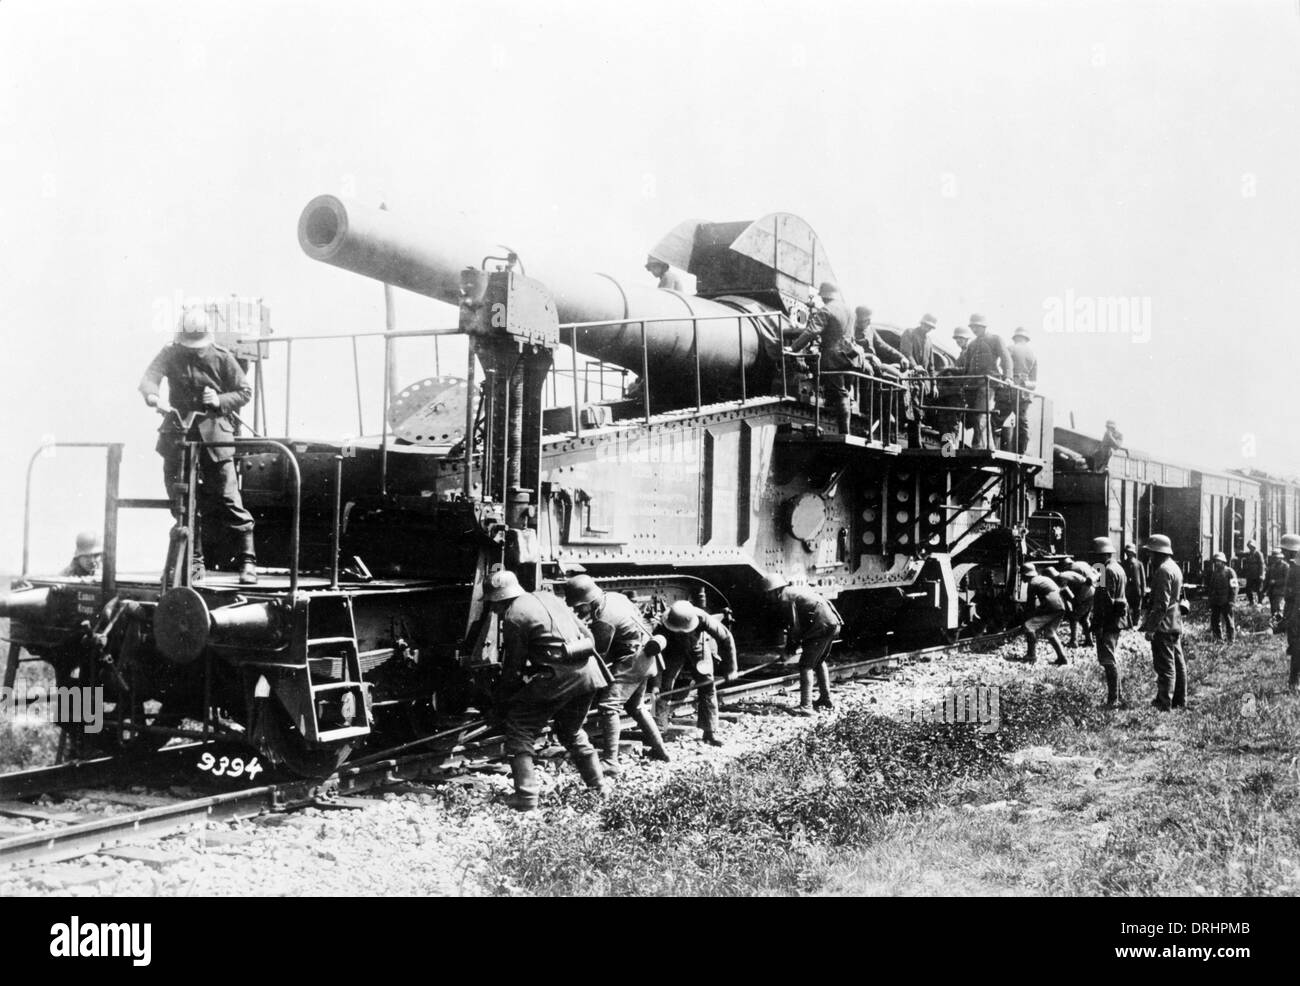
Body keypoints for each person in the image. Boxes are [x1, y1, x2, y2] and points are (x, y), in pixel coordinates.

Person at [138, 308, 257, 584]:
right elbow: (149, 379)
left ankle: (248, 561)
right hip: (178, 435)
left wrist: (218, 400)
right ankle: (194, 561)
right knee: (180, 500)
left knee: (228, 498)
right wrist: (153, 396)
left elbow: (244, 392)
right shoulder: (170, 353)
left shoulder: (222, 357)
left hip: (214, 437)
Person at [486, 570, 607, 811]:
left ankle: (527, 797)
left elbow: (514, 666)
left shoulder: (513, 616)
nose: (493, 610)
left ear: (499, 599)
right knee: (571, 730)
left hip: (559, 678)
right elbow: (588, 635)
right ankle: (599, 787)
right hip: (590, 673)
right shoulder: (549, 597)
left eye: (492, 605)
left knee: (520, 728)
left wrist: (504, 697)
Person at [565, 575, 671, 771]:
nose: (578, 611)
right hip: (646, 656)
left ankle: (611, 761)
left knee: (609, 706)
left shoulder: (604, 619)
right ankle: (660, 750)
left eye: (579, 607)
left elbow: (598, 654)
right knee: (637, 707)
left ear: (588, 601)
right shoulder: (614, 597)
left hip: (632, 662)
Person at [651, 600, 738, 746]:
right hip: (673, 651)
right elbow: (655, 655)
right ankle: (658, 732)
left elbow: (726, 637)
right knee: (662, 690)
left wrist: (731, 669)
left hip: (697, 645)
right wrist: (655, 684)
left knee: (707, 686)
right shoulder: (661, 625)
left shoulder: (702, 617)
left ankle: (709, 732)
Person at [760, 573, 843, 715]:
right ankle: (825, 698)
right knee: (819, 661)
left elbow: (795, 628)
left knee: (806, 665)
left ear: (774, 591)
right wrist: (791, 649)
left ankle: (806, 706)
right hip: (832, 622)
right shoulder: (792, 592)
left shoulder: (785, 599)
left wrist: (788, 651)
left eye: (768, 594)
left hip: (821, 625)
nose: (767, 598)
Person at [791, 282, 856, 435]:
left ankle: (844, 433)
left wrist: (793, 348)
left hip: (833, 358)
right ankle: (843, 428)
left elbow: (812, 332)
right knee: (844, 391)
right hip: (850, 356)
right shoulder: (849, 311)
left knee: (840, 394)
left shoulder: (827, 309)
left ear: (824, 296)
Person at [1141, 534, 1186, 710]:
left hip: (1164, 624)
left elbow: (1161, 605)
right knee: (1178, 662)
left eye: (1151, 553)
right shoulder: (1174, 567)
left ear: (1158, 552)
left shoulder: (1163, 571)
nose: (1150, 557)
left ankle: (1163, 702)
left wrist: (1151, 627)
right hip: (1174, 622)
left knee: (1165, 665)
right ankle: (1179, 700)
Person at [957, 314, 1011, 449]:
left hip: (988, 383)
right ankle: (988, 445)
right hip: (973, 384)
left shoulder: (995, 339)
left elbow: (1006, 358)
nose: (974, 330)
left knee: (982, 414)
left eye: (976, 327)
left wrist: (1008, 376)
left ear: (983, 326)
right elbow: (968, 365)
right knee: (975, 416)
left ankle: (979, 446)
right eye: (972, 327)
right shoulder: (972, 344)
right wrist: (963, 383)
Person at [1091, 537, 1129, 707]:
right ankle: (1117, 696)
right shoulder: (1119, 568)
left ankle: (1114, 699)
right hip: (1116, 619)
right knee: (1110, 658)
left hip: (1108, 622)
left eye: (1098, 555)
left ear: (1104, 554)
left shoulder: (1105, 572)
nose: (1096, 559)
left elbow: (1103, 601)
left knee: (1108, 660)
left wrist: (1097, 625)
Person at [1015, 563, 1068, 665]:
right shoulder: (1042, 579)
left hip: (1051, 606)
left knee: (1028, 627)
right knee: (1050, 632)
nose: (1022, 578)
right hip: (1061, 605)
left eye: (1022, 575)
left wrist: (1025, 618)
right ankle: (1062, 658)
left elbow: (1030, 605)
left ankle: (1031, 655)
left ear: (1026, 575)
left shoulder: (1033, 583)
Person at [1008, 327, 1037, 454]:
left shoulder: (1010, 349)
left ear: (1015, 338)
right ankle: (1021, 451)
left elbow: (1002, 367)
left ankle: (989, 445)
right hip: (1025, 392)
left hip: (1009, 389)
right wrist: (1025, 383)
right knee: (1022, 422)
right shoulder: (1033, 355)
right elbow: (1034, 382)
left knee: (996, 418)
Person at [1055, 562, 1096, 647]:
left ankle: (1074, 641)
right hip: (1091, 593)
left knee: (1074, 618)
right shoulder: (1068, 573)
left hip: (1086, 594)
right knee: (1084, 619)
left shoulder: (1061, 577)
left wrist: (1074, 603)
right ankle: (1089, 641)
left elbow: (1065, 591)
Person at [1205, 551, 1238, 643]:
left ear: (1223, 562)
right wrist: (1210, 600)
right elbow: (1211, 587)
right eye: (1215, 561)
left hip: (1226, 601)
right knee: (1214, 620)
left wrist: (1232, 600)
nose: (1217, 563)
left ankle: (1231, 639)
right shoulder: (1215, 572)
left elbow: (1234, 587)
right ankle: (1218, 638)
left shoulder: (1230, 572)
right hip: (1216, 601)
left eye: (1219, 561)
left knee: (1229, 620)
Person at [1283, 533, 1300, 692]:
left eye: (1285, 551)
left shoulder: (1297, 569)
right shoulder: (1292, 567)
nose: (1283, 553)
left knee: (1296, 648)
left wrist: (1293, 618)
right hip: (1292, 611)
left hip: (1297, 613)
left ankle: (1294, 682)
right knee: (1294, 646)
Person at [1122, 544, 1147, 628]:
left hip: (1137, 589)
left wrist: (1143, 590)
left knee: (1137, 607)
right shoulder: (1124, 563)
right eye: (1127, 553)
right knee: (1127, 606)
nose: (1129, 554)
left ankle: (1135, 622)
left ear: (1133, 553)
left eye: (1130, 553)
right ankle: (1128, 623)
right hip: (1127, 589)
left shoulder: (1139, 564)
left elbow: (1143, 578)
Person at [1265, 547, 1289, 622]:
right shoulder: (1272, 567)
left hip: (1281, 591)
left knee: (1278, 607)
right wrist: (1263, 590)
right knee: (1273, 608)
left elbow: (1287, 580)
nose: (1275, 559)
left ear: (1281, 558)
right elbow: (1267, 579)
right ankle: (1275, 623)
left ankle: (1279, 623)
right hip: (1272, 591)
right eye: (1274, 558)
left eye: (1276, 558)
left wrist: (1276, 582)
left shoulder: (1285, 566)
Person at [1239, 540, 1265, 607]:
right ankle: (1251, 601)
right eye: (1249, 546)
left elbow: (1262, 564)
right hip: (1250, 574)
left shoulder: (1258, 554)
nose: (1250, 547)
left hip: (1257, 574)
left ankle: (1260, 602)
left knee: (1259, 589)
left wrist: (1261, 574)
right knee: (1248, 589)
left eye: (1251, 546)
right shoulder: (1249, 554)